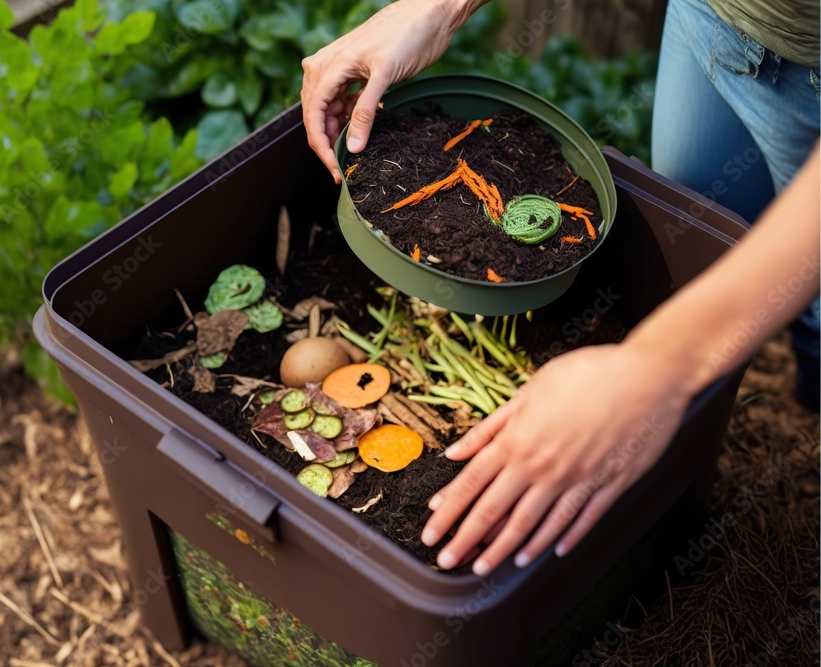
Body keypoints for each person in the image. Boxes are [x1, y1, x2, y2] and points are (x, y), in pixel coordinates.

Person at [300, 0, 820, 575]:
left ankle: (811, 403)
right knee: (705, 252)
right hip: (719, 16)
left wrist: (658, 367)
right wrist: (438, 9)